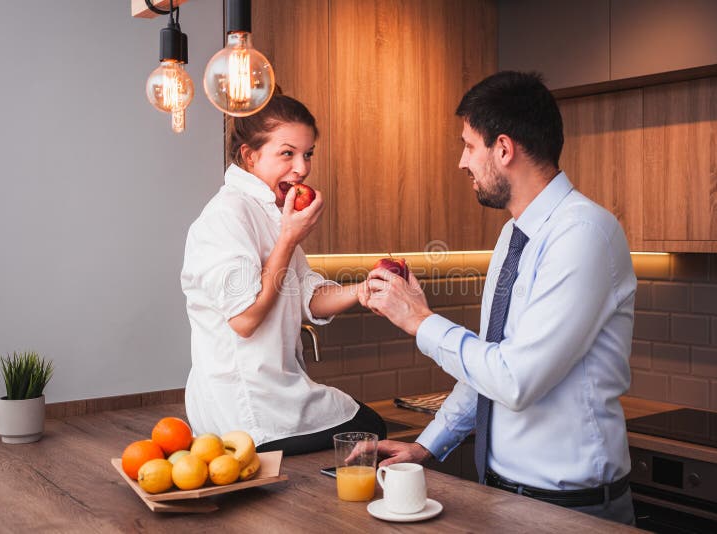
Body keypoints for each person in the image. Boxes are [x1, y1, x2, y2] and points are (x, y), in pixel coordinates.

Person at [361, 71, 637, 525]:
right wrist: (427, 444)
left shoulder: (583, 235)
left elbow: (515, 380)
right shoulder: (514, 235)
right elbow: (491, 363)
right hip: (504, 499)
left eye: (469, 146)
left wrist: (419, 320)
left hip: (571, 511)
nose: (462, 162)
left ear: (504, 149)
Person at [181, 94, 386, 455]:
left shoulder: (274, 215)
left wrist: (362, 290)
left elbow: (310, 297)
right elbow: (244, 319)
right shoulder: (226, 216)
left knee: (368, 427)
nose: (302, 168)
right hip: (244, 408)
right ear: (250, 156)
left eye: (308, 154)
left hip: (275, 394)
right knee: (368, 428)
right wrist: (290, 237)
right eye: (287, 153)